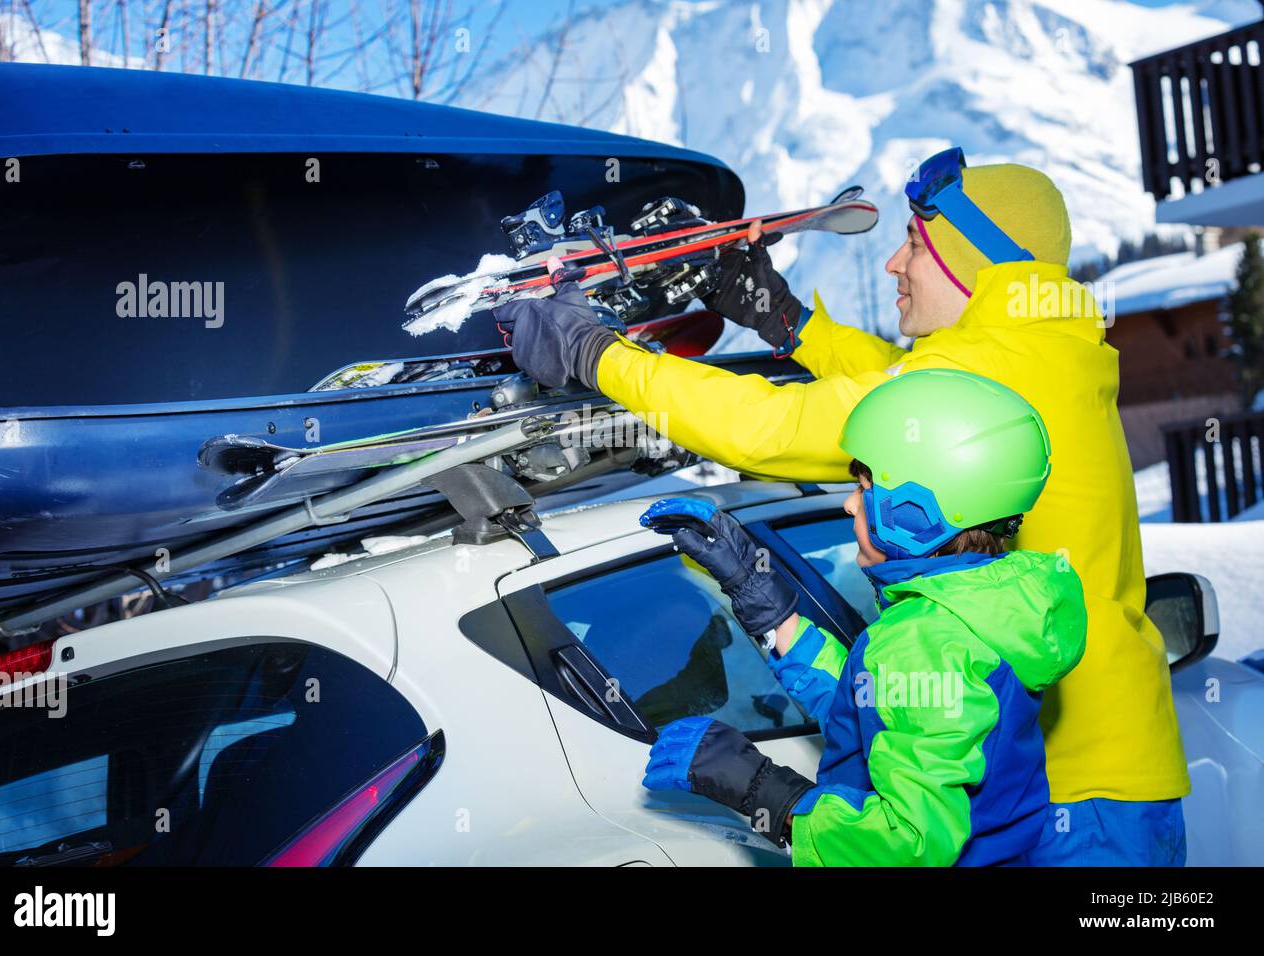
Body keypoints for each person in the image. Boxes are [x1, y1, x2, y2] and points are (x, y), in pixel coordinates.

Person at [493, 147, 1188, 865]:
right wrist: (789, 322)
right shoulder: (1047, 349)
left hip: (1066, 795)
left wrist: (596, 353)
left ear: (967, 265)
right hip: (1109, 772)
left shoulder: (988, 371)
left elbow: (772, 430)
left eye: (914, 244)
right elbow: (902, 387)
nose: (893, 263)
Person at [637, 369, 1086, 865]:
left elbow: (911, 841)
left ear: (916, 513)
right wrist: (756, 593)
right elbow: (872, 707)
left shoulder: (923, 637)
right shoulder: (980, 612)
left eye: (866, 485)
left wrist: (764, 790)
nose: (851, 501)